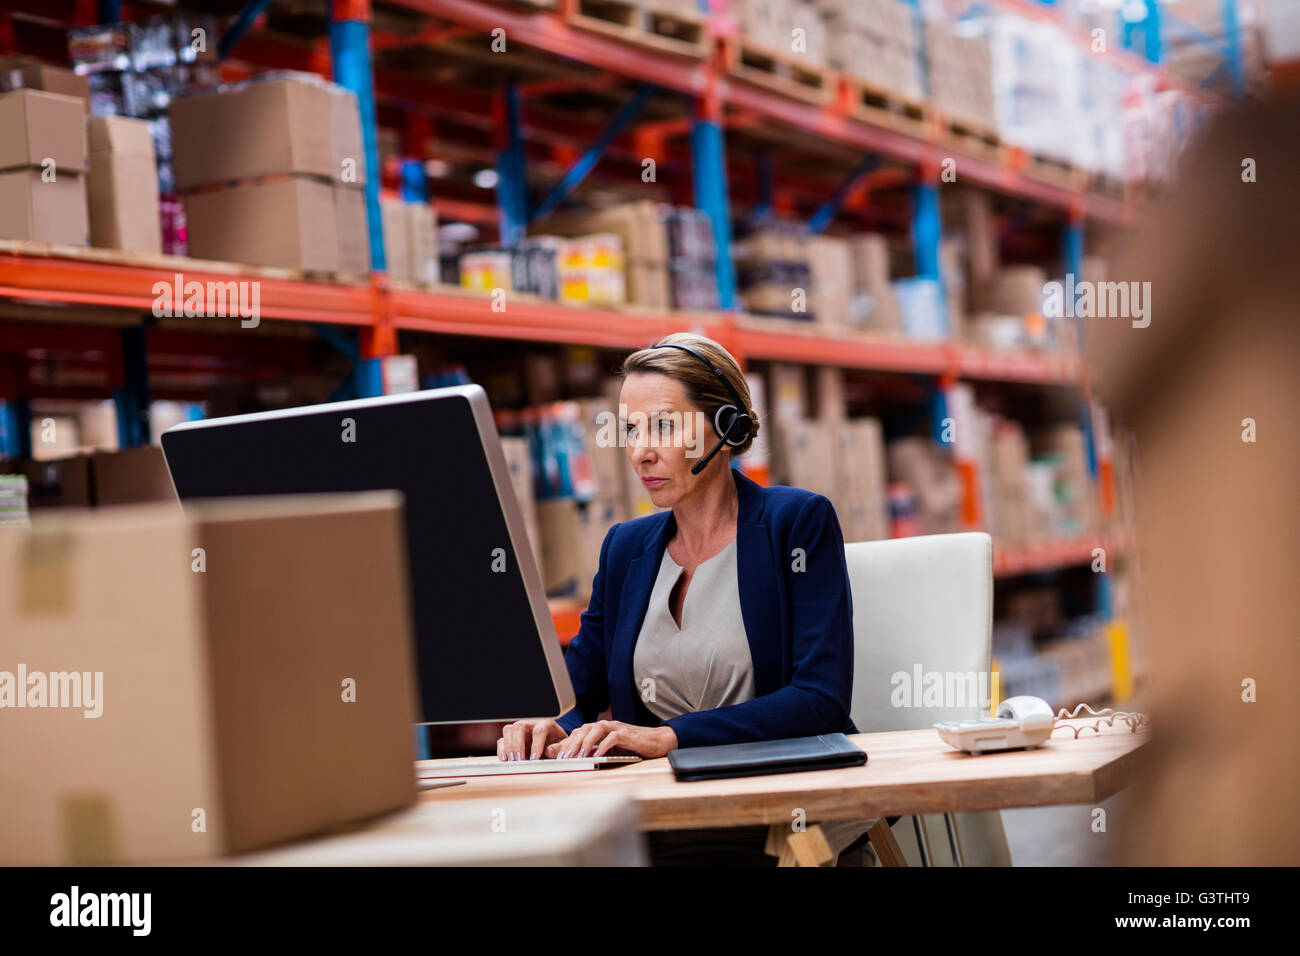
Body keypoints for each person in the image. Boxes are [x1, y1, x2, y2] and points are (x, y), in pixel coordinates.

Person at [496, 332, 871, 864]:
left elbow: (820, 699)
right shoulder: (625, 548)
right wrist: (551, 723)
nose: (641, 450)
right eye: (630, 430)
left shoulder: (795, 524)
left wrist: (671, 738)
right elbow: (579, 691)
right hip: (665, 817)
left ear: (726, 428)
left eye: (663, 426)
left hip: (780, 814)